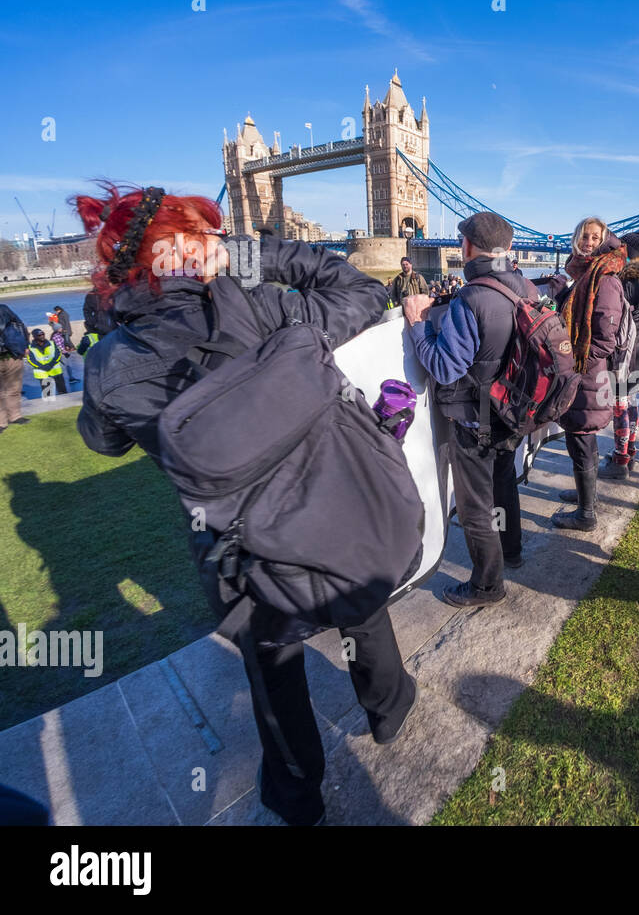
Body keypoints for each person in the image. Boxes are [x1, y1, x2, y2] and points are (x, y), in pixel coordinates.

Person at [73, 184, 416, 826]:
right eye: (211, 233)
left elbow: (102, 441)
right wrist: (252, 256)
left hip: (235, 545)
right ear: (193, 247)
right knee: (361, 611)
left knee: (273, 670)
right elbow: (367, 294)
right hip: (328, 502)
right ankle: (389, 710)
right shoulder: (261, 305)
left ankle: (297, 795)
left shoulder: (107, 365)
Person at [406, 211, 532, 606]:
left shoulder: (471, 299)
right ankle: (512, 551)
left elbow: (445, 366)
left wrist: (417, 324)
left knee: (476, 506)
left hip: (475, 417)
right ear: (508, 250)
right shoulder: (526, 287)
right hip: (513, 409)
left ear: (467, 247)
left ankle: (487, 586)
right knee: (504, 483)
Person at [549, 216, 626, 530]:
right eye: (583, 236)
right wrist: (558, 296)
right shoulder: (585, 275)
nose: (588, 242)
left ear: (604, 240)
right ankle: (586, 499)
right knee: (581, 440)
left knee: (580, 440)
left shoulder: (605, 278)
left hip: (587, 375)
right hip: (582, 373)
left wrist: (575, 362)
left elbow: (605, 338)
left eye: (595, 237)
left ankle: (586, 515)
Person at [600, 225, 639, 480]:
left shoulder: (629, 283)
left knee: (619, 406)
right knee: (631, 403)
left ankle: (619, 460)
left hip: (626, 354)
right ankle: (629, 451)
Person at [0, 302, 30, 431]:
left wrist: (26, 346)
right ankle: (1, 421)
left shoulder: (4, 309)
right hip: (12, 353)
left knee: (14, 388)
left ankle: (15, 416)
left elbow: (20, 326)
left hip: (12, 354)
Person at [26, 329, 68, 397]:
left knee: (63, 392)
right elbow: (31, 360)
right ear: (35, 337)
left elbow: (58, 354)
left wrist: (51, 364)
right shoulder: (30, 347)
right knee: (48, 395)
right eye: (39, 335)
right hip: (42, 373)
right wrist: (42, 367)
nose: (42, 336)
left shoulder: (52, 343)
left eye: (43, 334)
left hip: (55, 370)